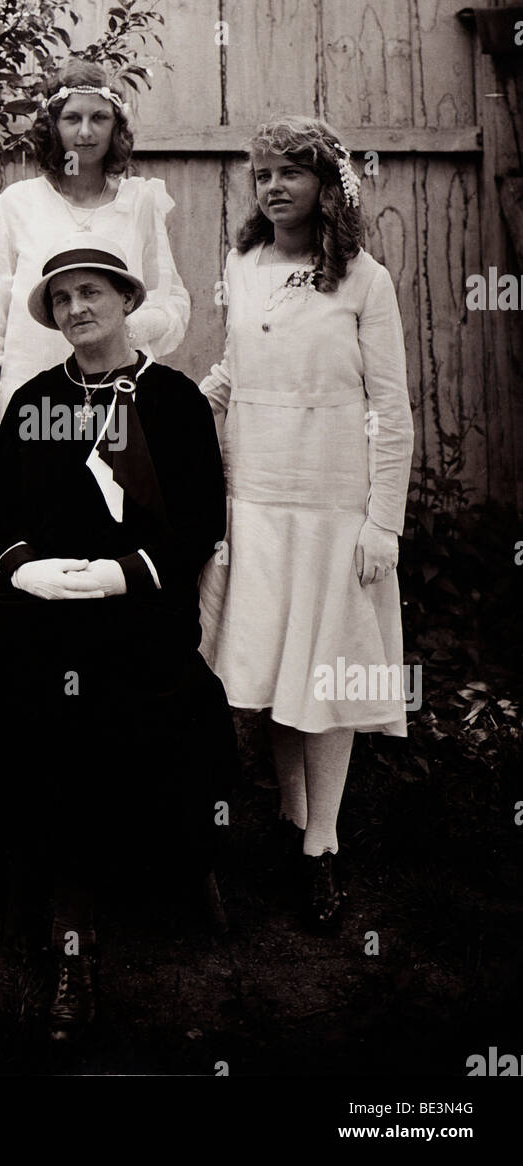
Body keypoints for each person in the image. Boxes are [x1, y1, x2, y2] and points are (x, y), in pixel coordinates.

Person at [0, 238, 239, 1042]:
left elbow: (198, 522)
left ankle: (171, 871)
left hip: (137, 605)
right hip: (44, 604)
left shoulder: (174, 400)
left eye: (92, 293)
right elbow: (0, 510)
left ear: (123, 300)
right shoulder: (35, 399)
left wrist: (123, 575)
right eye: (62, 300)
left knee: (133, 695)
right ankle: (66, 930)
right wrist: (24, 570)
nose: (77, 310)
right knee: (27, 682)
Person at [198, 116, 415, 931]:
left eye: (292, 172)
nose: (274, 187)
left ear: (328, 185)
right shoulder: (244, 263)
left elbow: (389, 410)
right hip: (255, 496)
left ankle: (322, 846)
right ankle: (292, 826)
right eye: (261, 174)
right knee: (275, 674)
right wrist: (180, 405)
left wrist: (380, 523)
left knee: (325, 675)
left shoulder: (364, 279)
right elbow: (233, 369)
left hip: (333, 504)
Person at [0, 57, 191, 602]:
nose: (85, 133)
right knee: (24, 556)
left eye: (99, 119)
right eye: (71, 118)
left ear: (117, 127)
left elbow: (172, 301)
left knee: (110, 547)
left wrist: (117, 332)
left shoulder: (139, 204)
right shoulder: (19, 204)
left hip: (115, 406)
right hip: (32, 411)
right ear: (51, 126)